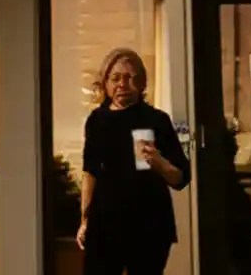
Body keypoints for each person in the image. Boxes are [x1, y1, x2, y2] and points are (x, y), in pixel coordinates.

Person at [76, 47, 191, 275]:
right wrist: (85, 219)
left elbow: (181, 178)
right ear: (105, 83)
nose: (122, 84)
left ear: (141, 83)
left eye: (130, 78)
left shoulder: (156, 119)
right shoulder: (97, 120)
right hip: (105, 221)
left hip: (149, 222)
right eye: (116, 78)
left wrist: (159, 162)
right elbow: (90, 172)